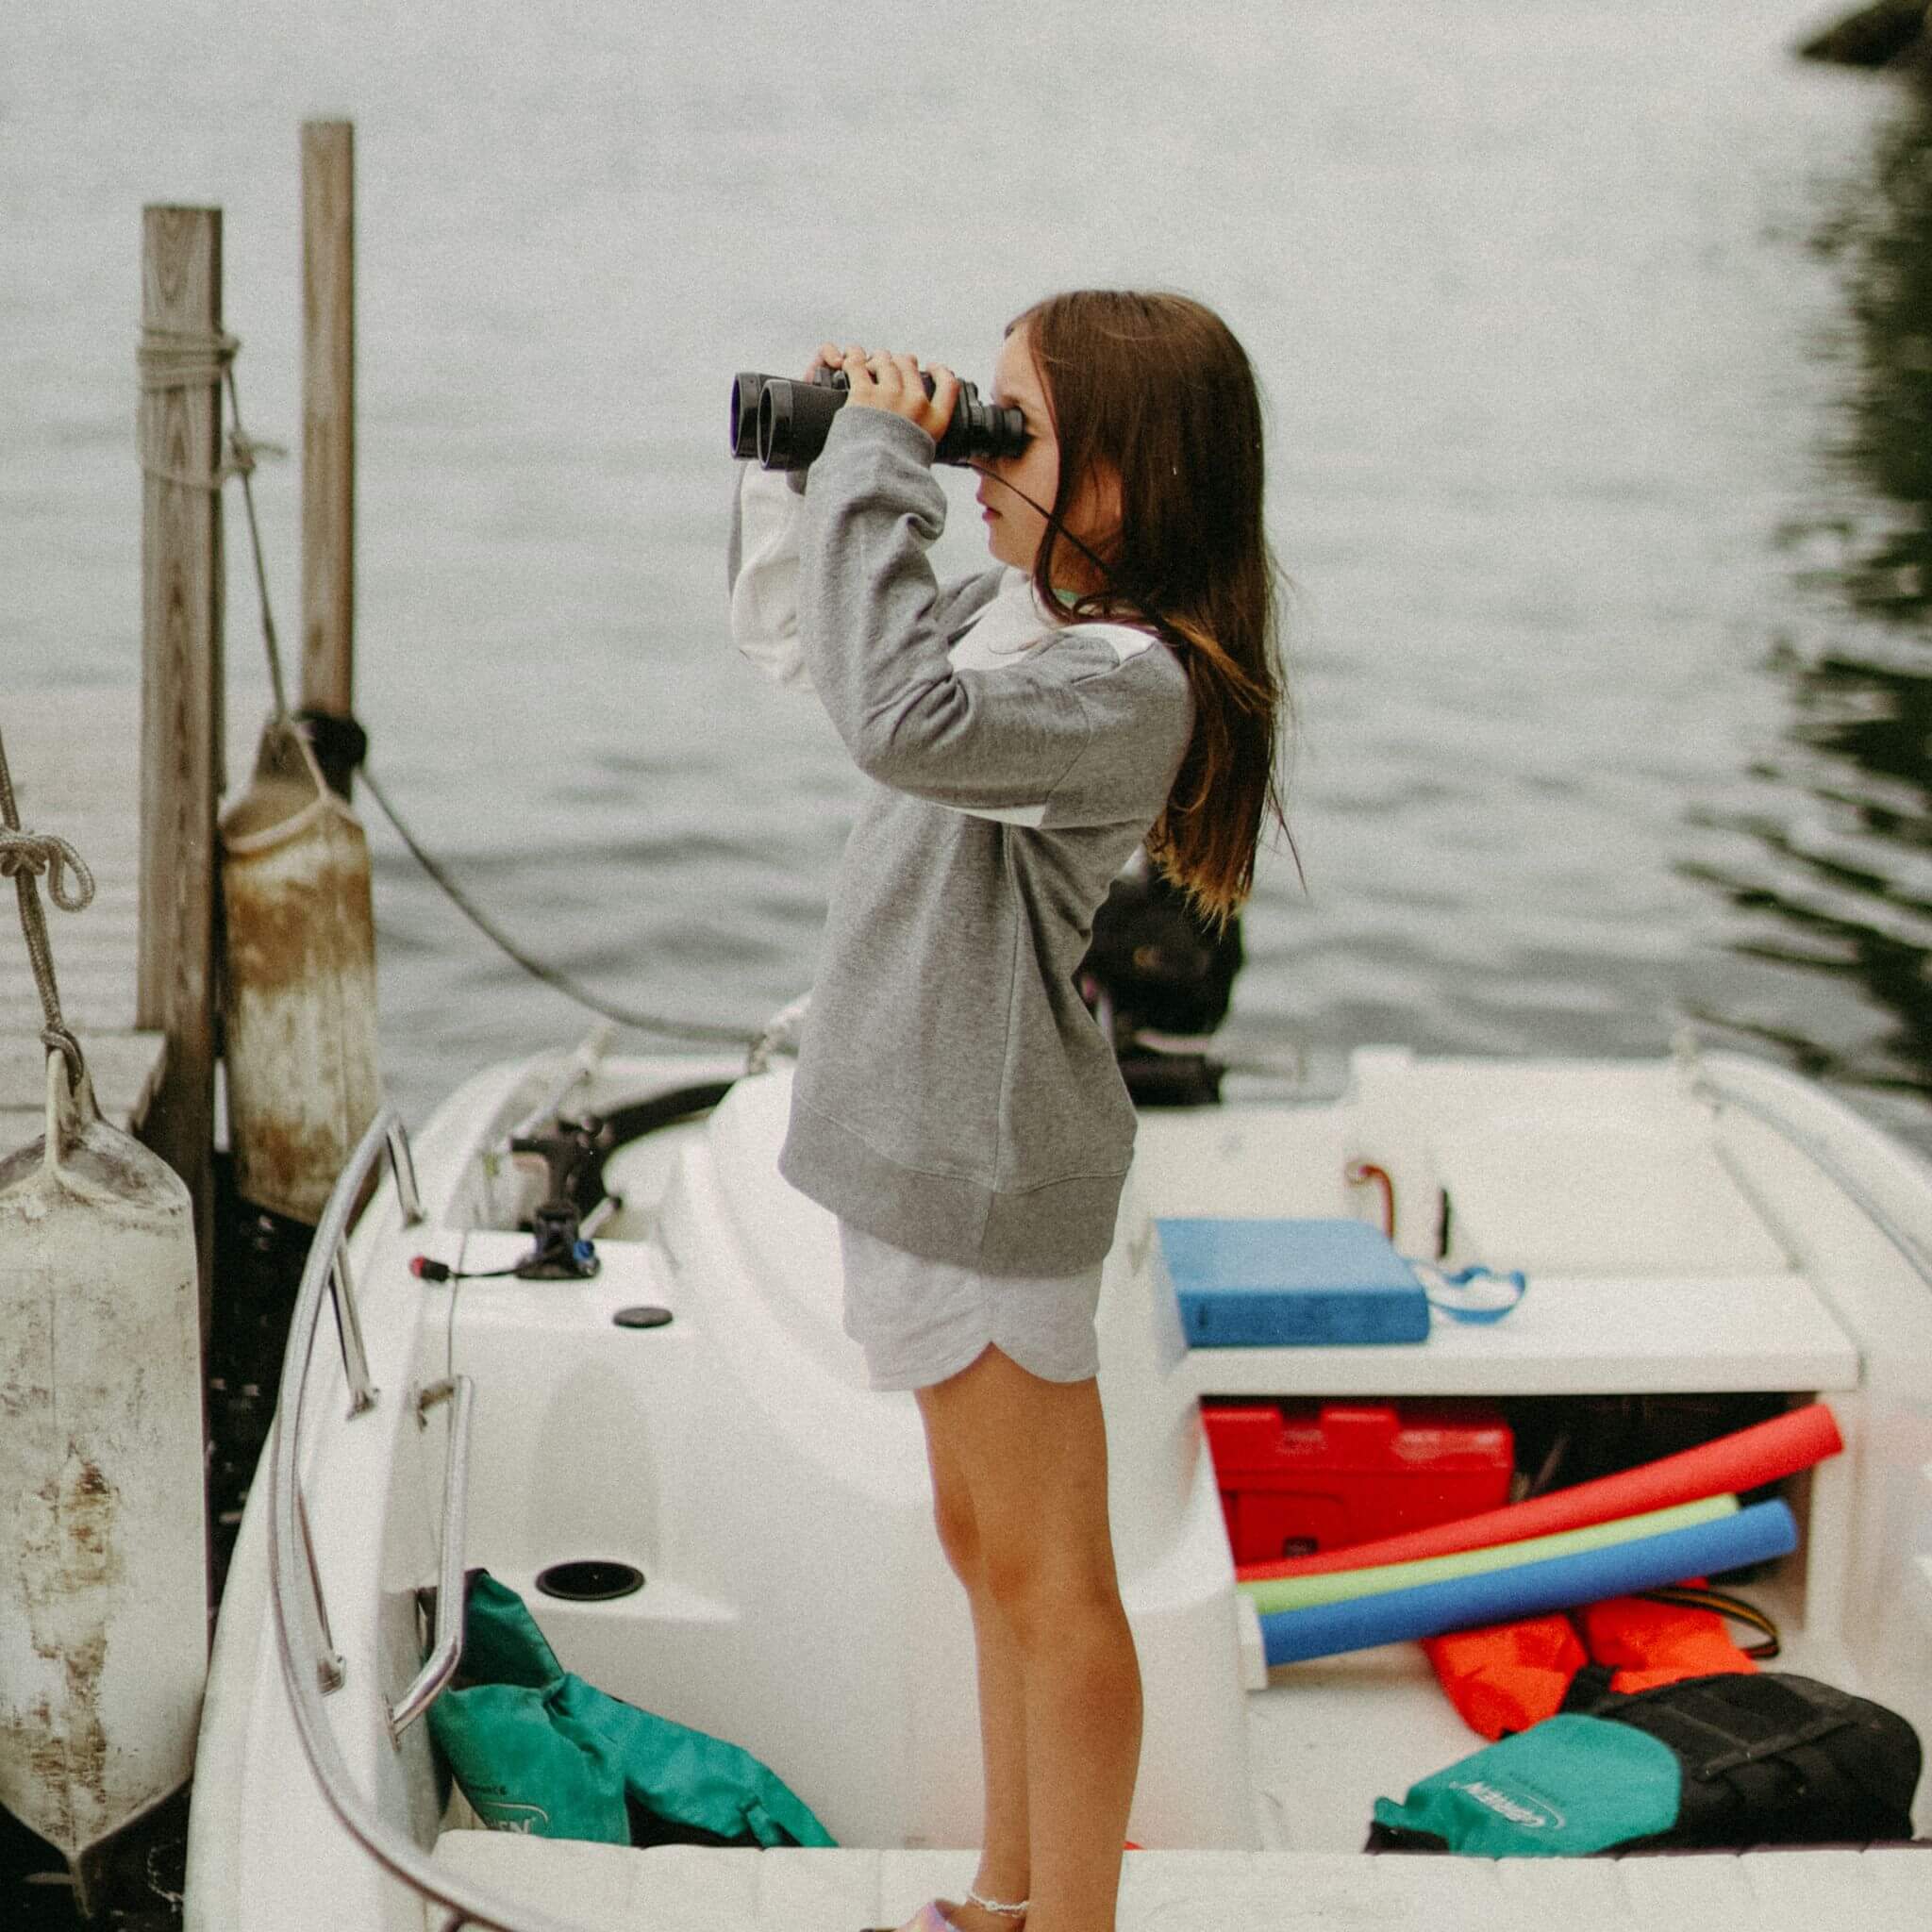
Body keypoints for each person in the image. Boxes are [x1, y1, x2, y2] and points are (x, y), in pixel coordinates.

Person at [727, 290, 1289, 1932]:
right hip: (914, 1143)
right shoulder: (1016, 617)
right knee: (987, 1555)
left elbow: (901, 724)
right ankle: (1006, 1891)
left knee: (1054, 1582)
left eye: (1014, 430)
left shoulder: (1130, 683)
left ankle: (1073, 1920)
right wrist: (806, 468)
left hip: (989, 1153)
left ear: (1123, 477)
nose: (987, 455)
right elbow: (811, 648)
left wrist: (890, 468)